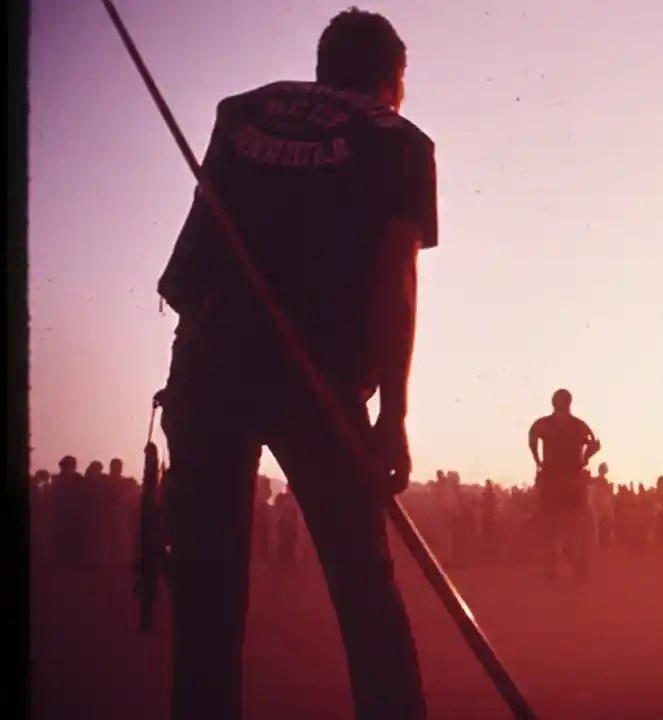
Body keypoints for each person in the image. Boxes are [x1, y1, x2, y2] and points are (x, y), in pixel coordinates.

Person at [153, 9, 436, 719]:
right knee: (363, 584)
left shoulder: (239, 112)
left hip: (208, 363)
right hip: (317, 380)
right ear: (392, 79)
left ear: (321, 65)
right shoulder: (400, 139)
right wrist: (393, 417)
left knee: (208, 596)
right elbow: (396, 281)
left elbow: (201, 247)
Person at [528, 388, 601, 581]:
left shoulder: (544, 424)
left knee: (553, 526)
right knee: (576, 526)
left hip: (554, 480)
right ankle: (578, 568)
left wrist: (539, 462)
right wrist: (585, 458)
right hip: (571, 481)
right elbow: (594, 444)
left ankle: (554, 568)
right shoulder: (579, 426)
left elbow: (532, 439)